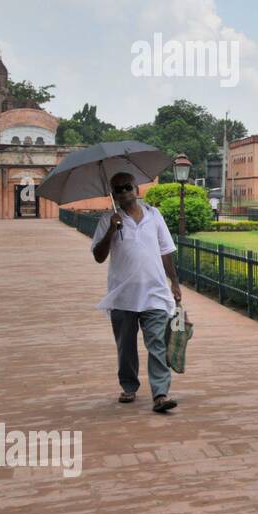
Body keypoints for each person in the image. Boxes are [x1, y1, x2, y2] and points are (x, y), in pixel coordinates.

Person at [90, 172, 181, 413]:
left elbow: (166, 251)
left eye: (127, 187)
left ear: (136, 189)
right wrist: (111, 230)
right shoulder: (108, 219)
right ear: (113, 194)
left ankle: (160, 394)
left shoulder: (154, 215)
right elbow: (99, 257)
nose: (123, 193)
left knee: (157, 345)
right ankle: (129, 385)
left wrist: (175, 283)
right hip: (123, 295)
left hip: (154, 292)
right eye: (117, 190)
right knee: (126, 347)